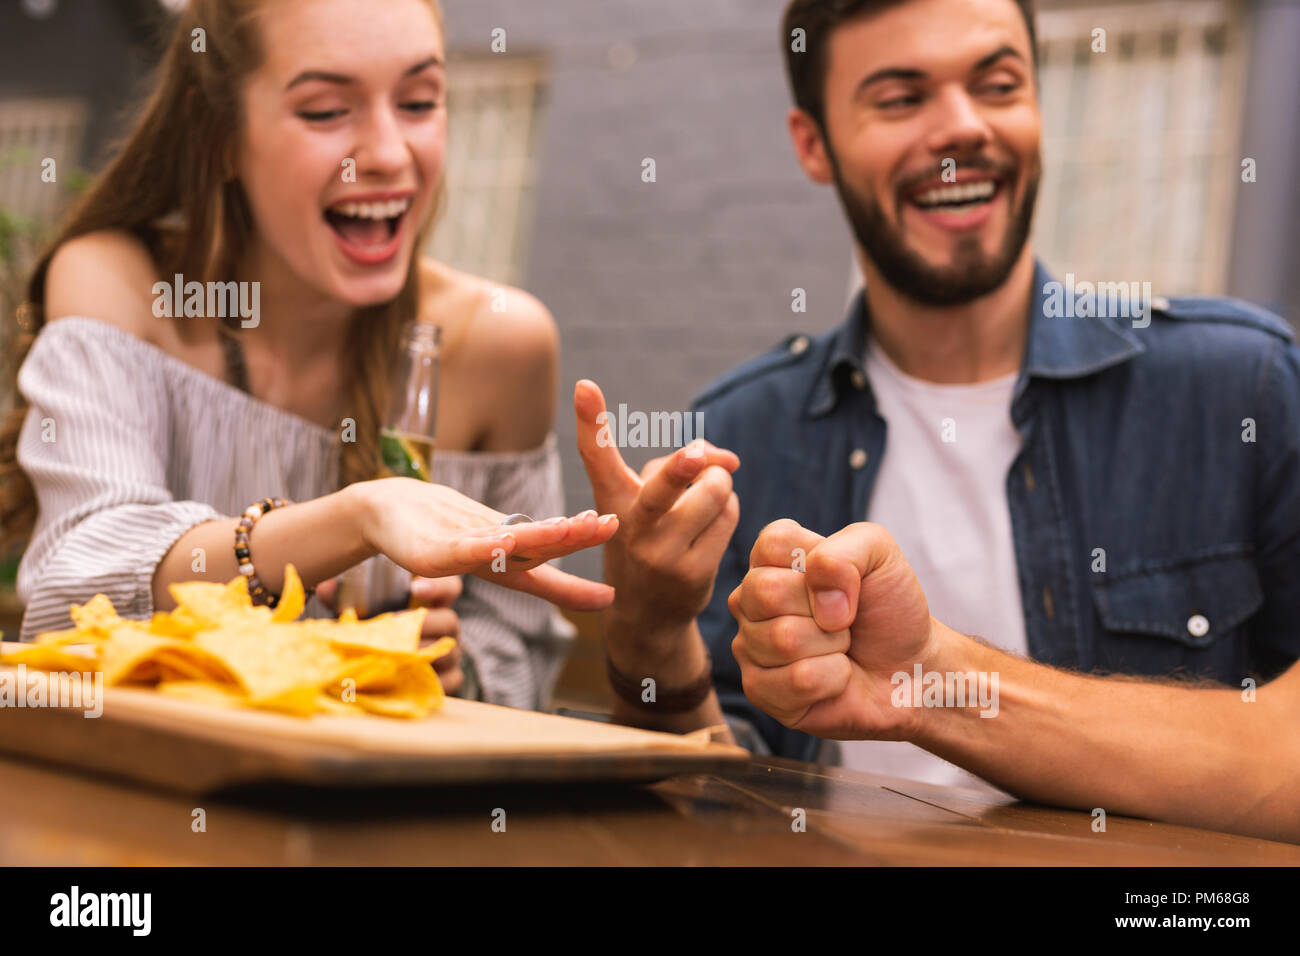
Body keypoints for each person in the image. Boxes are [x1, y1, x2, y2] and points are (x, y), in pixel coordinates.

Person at [575, 0, 1300, 794]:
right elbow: (706, 799)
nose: (962, 128)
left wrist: (932, 683)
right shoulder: (737, 437)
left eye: (997, 85)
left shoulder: (1244, 389)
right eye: (901, 98)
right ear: (813, 144)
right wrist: (647, 634)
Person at [0, 0, 617, 709]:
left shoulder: (501, 343)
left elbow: (520, 661)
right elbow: (78, 584)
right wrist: (348, 521)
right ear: (219, 131)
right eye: (326, 112)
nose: (388, 154)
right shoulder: (121, 284)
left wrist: (452, 671)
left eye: (419, 101)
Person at [731, 519, 1300, 844]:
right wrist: (656, 643)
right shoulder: (755, 411)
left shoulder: (1251, 380)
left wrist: (928, 681)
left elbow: (1283, 754)